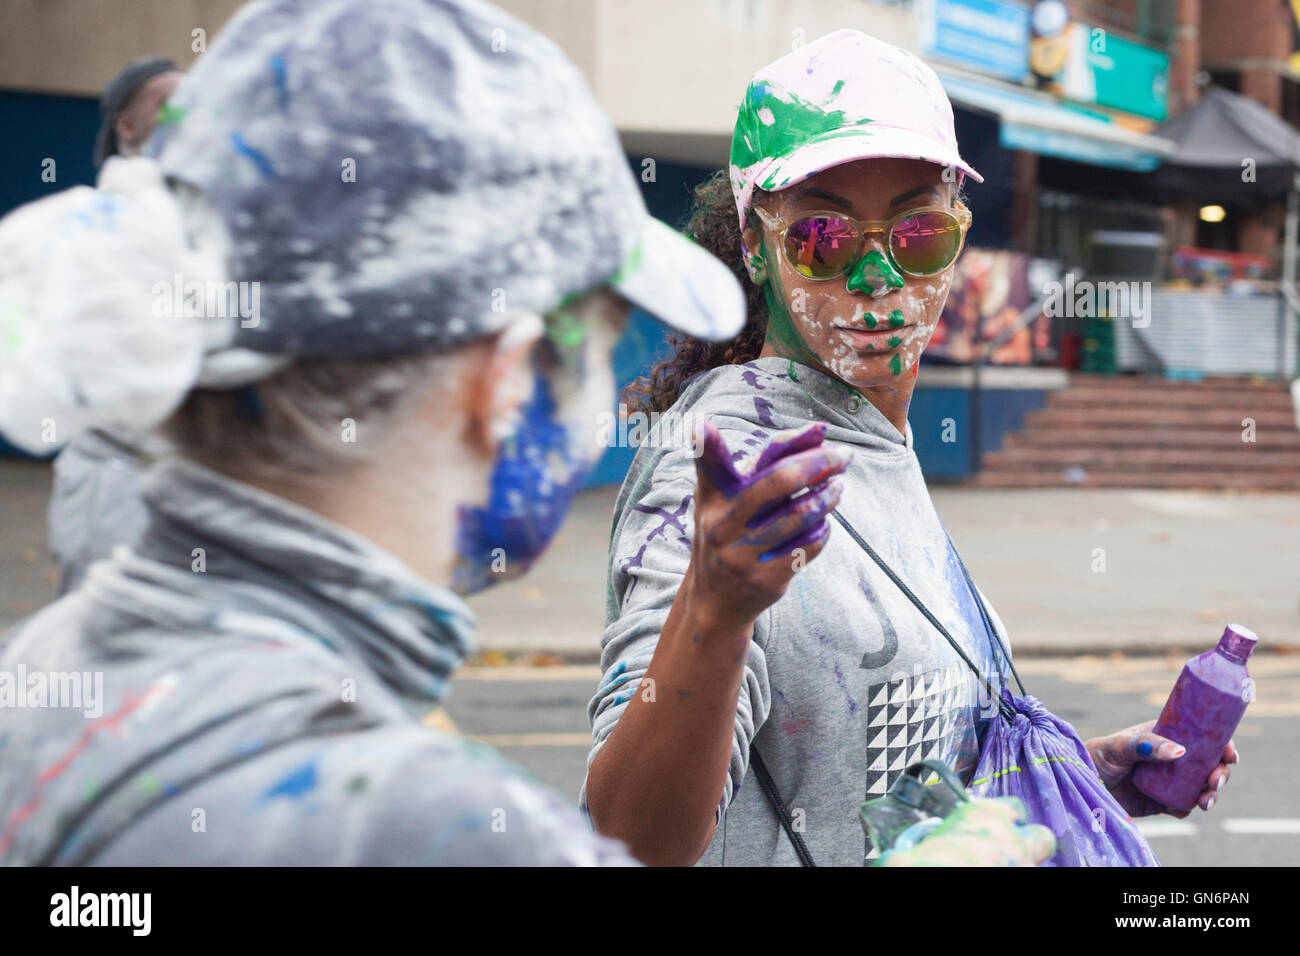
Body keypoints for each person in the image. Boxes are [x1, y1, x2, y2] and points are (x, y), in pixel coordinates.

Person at [0, 0, 753, 865]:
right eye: (598, 343)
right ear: (501, 381)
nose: (605, 409)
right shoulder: (437, 834)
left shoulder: (38, 667)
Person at [581, 29, 1237, 866]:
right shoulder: (727, 466)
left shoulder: (869, 433)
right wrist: (713, 609)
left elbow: (880, 794)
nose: (879, 276)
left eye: (918, 234)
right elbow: (631, 840)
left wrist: (1081, 781)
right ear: (756, 246)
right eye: (823, 238)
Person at [47, 56, 185, 594]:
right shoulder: (106, 221)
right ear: (128, 127)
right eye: (168, 105)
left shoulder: (188, 209)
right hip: (117, 484)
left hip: (178, 480)